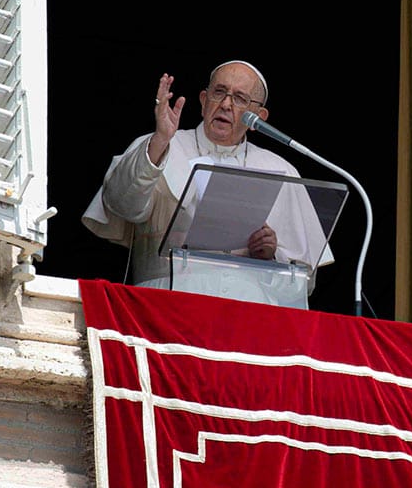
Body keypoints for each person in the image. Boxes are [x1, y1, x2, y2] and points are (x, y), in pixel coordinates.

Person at [81, 60, 333, 307]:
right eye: (219, 92)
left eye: (240, 98)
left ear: (259, 116)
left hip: (250, 317)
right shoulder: (159, 145)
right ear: (203, 100)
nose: (225, 104)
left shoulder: (281, 170)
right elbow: (121, 205)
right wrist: (160, 141)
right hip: (165, 307)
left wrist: (270, 256)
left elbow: (303, 286)